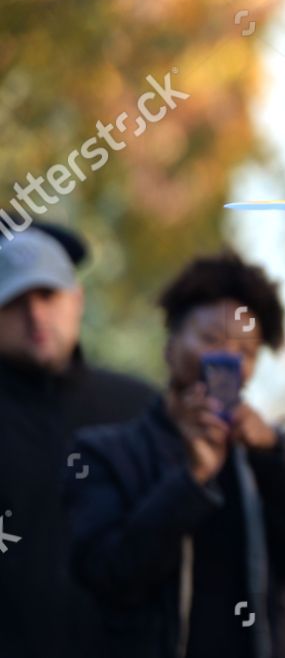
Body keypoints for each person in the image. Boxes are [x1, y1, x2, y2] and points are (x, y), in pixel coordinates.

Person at [68, 249, 285, 658]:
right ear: (170, 345)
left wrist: (274, 458)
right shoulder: (104, 453)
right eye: (210, 339)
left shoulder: (266, 451)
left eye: (245, 351)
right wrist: (190, 480)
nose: (225, 359)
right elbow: (110, 575)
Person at [0, 225, 157, 656]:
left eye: (48, 295)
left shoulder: (140, 409)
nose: (35, 316)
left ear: (77, 299)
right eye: (15, 301)